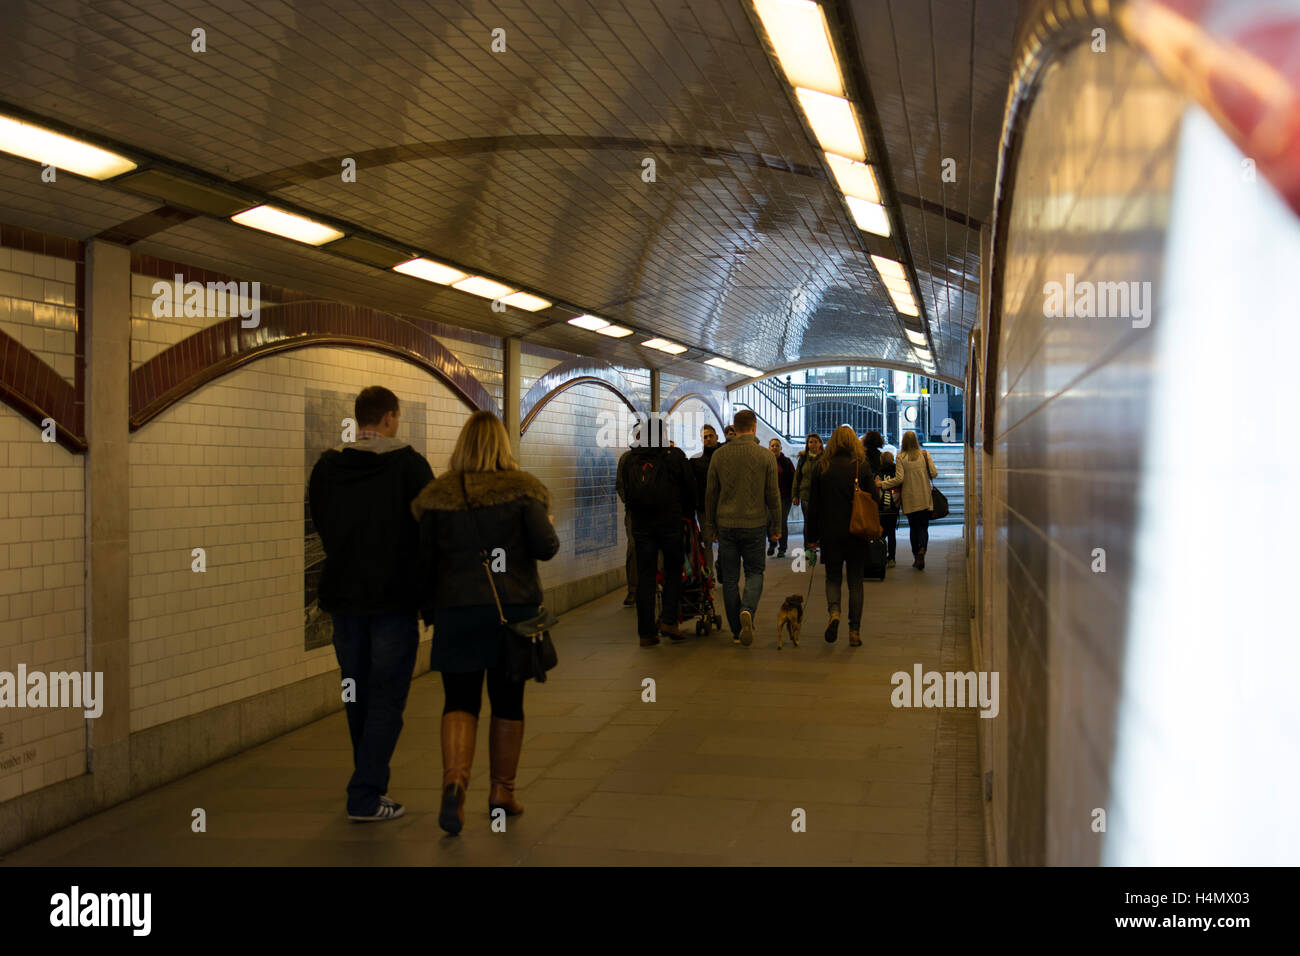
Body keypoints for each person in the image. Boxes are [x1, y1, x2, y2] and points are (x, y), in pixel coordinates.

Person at [410, 411, 560, 835]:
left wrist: (429, 612)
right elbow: (546, 548)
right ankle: (501, 792)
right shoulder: (522, 493)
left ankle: (455, 780)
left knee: (459, 702)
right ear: (502, 445)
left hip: (457, 614)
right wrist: (545, 525)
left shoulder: (438, 499)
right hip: (511, 614)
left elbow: (424, 564)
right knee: (508, 702)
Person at [308, 385, 434, 822]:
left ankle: (369, 782)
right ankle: (364, 793)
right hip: (393, 603)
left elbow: (322, 525)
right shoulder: (410, 467)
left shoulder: (327, 469)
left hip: (345, 602)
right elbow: (429, 532)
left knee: (356, 694)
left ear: (358, 419)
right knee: (386, 699)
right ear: (389, 418)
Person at [704, 409, 780, 647]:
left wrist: (711, 526)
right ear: (755, 427)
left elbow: (710, 495)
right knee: (755, 572)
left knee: (729, 578)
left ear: (734, 429)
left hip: (726, 525)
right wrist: (776, 526)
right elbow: (773, 496)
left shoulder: (719, 456)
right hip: (755, 524)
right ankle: (747, 610)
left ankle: (737, 631)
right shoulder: (766, 456)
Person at [619, 420, 696, 646]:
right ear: (663, 435)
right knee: (672, 571)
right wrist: (688, 517)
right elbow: (690, 489)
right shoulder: (674, 456)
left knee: (645, 576)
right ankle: (669, 620)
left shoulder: (629, 459)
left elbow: (626, 490)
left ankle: (645, 633)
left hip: (641, 525)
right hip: (670, 522)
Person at [805, 425, 878, 647]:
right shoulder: (861, 466)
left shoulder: (822, 467)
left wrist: (811, 536)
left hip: (830, 533)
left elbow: (814, 506)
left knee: (833, 577)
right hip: (856, 532)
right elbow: (873, 498)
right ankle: (854, 630)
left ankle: (834, 612)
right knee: (856, 582)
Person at [880, 430, 938, 569]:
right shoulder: (925, 455)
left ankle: (916, 554)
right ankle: (922, 549)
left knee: (913, 527)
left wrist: (882, 484)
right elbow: (934, 473)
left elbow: (899, 478)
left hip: (909, 497)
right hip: (924, 496)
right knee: (923, 527)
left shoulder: (901, 457)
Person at [691, 424, 722, 576]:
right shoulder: (696, 460)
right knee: (708, 542)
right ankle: (710, 576)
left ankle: (722, 568)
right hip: (704, 508)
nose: (708, 439)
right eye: (705, 437)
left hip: (724, 507)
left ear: (716, 437)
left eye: (711, 436)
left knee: (725, 542)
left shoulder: (725, 456)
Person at [792, 432, 824, 537]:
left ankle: (820, 545)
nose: (813, 444)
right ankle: (808, 548)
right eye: (810, 442)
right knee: (808, 522)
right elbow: (797, 477)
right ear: (807, 444)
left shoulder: (825, 459)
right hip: (806, 495)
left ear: (820, 444)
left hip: (821, 496)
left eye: (815, 442)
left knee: (820, 522)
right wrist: (795, 495)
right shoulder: (803, 458)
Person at [768, 438, 795, 558]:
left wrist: (795, 495)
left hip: (785, 497)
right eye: (772, 446)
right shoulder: (766, 461)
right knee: (769, 522)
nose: (774, 447)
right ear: (769, 448)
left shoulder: (787, 462)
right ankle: (772, 543)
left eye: (777, 445)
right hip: (769, 498)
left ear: (781, 448)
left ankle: (782, 548)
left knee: (782, 522)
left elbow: (793, 479)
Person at [877, 449, 901, 568]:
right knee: (892, 534)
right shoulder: (896, 472)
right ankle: (892, 558)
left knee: (880, 534)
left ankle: (880, 555)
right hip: (893, 508)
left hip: (880, 509)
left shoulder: (878, 472)